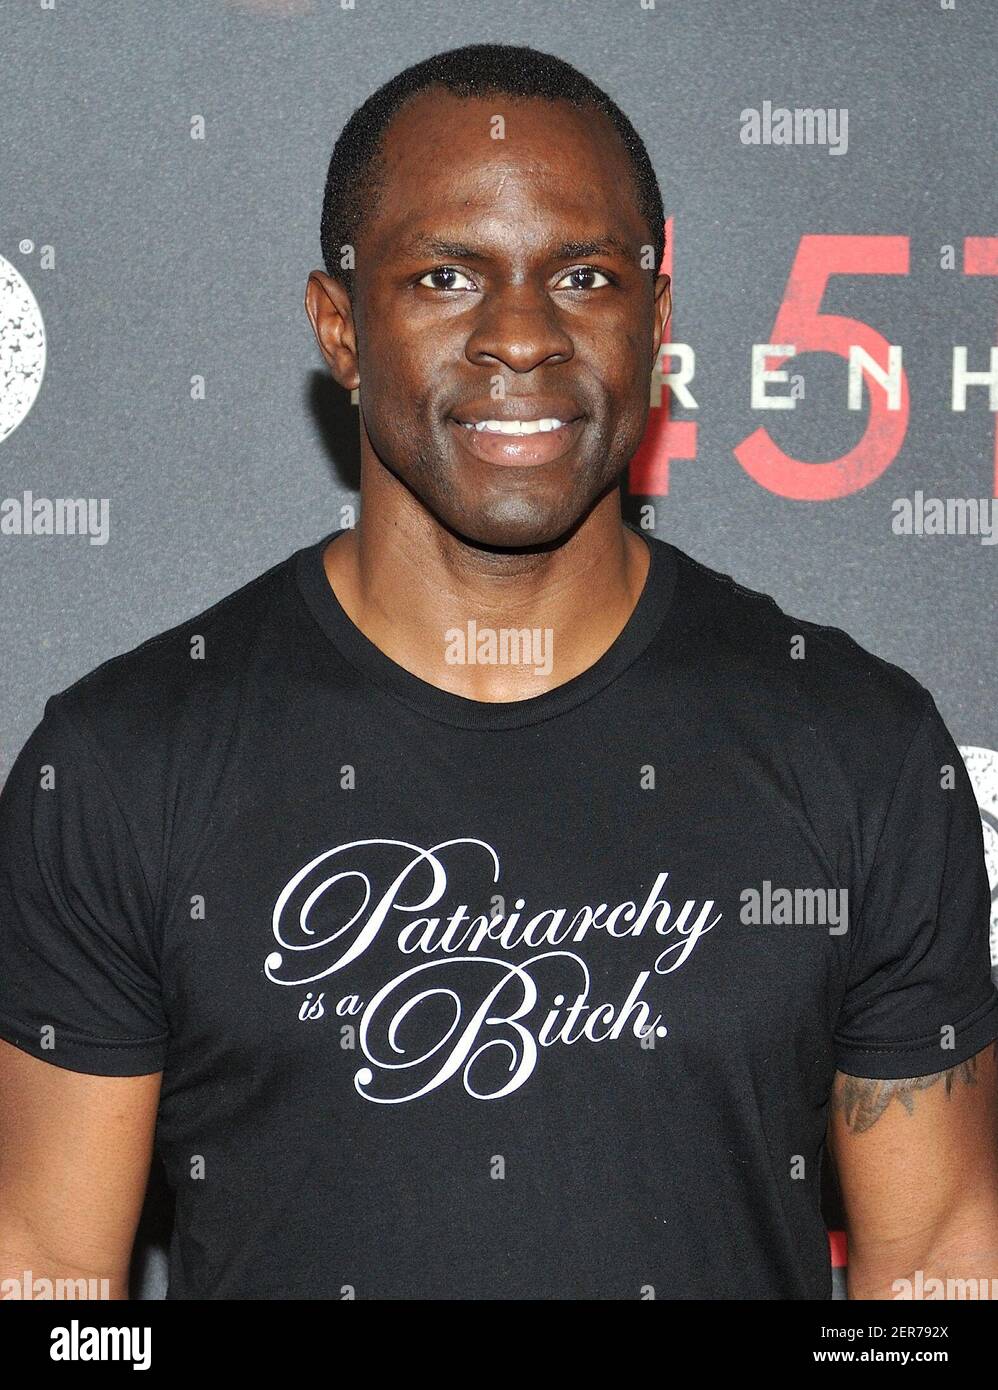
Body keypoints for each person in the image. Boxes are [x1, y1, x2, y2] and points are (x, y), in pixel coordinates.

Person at [1, 42, 996, 1303]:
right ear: (339, 326)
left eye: (582, 275)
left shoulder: (858, 749)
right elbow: (46, 1282)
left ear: (655, 323)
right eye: (442, 276)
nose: (518, 336)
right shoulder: (121, 764)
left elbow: (936, 1271)